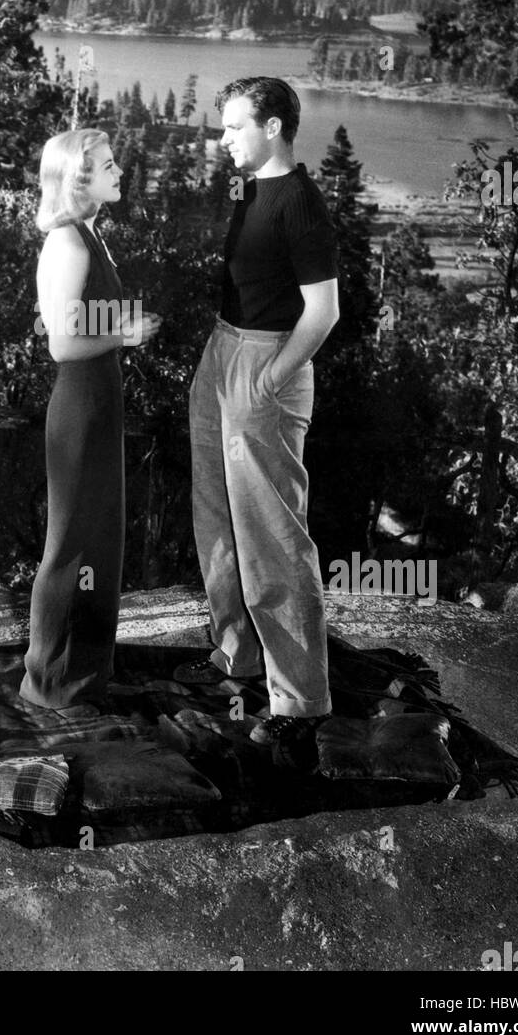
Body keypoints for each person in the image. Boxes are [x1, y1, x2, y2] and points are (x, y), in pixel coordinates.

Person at [176, 77, 340, 770]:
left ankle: (298, 704)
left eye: (233, 127)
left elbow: (323, 311)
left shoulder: (300, 204)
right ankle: (237, 652)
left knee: (272, 537)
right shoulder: (249, 191)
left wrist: (270, 379)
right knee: (215, 515)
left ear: (272, 127)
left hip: (265, 364)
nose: (223, 139)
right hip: (224, 350)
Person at [20, 128, 161, 709]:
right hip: (79, 404)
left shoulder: (87, 235)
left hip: (99, 402)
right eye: (106, 164)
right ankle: (52, 682)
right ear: (78, 178)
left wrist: (117, 330)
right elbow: (59, 345)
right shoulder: (71, 245)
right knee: (72, 543)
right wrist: (123, 334)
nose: (118, 170)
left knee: (98, 540)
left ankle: (83, 675)